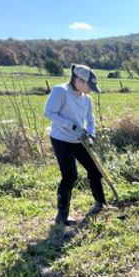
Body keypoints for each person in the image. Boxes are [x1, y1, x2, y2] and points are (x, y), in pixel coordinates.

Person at [43, 64, 106, 226]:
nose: (91, 90)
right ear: (78, 80)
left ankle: (101, 203)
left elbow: (90, 121)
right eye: (89, 86)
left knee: (95, 170)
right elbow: (49, 112)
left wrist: (91, 135)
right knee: (70, 175)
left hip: (80, 139)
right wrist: (71, 125)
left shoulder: (87, 99)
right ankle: (62, 215)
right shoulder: (61, 91)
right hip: (61, 139)